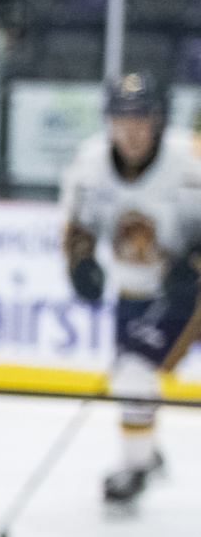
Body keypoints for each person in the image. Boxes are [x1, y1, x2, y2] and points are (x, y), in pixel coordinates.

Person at [59, 72, 201, 508]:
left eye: (141, 119)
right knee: (132, 379)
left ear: (159, 120)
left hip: (192, 291)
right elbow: (79, 227)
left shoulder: (189, 161)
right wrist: (81, 264)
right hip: (134, 291)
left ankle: (137, 465)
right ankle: (144, 457)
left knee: (136, 372)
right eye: (121, 119)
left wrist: (193, 263)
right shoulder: (90, 164)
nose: (131, 130)